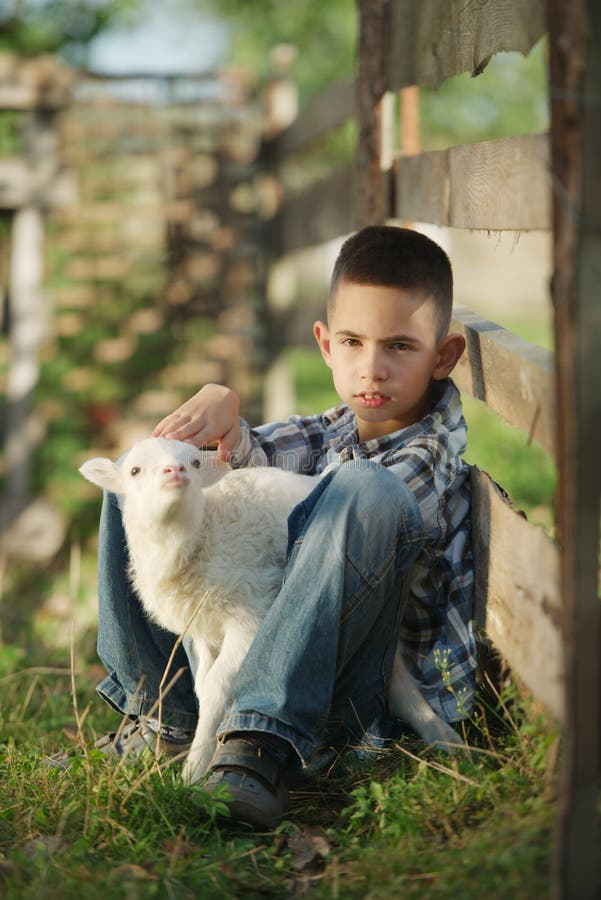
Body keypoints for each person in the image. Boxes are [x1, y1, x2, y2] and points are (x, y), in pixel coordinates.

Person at [94, 225, 476, 827]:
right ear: (325, 345)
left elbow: (343, 519)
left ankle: (259, 741)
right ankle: (162, 712)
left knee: (360, 488)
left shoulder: (428, 455)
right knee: (142, 471)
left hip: (348, 689)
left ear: (443, 357)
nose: (370, 368)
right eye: (353, 341)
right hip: (266, 655)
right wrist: (223, 423)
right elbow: (255, 464)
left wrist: (239, 476)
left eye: (399, 347)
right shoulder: (330, 430)